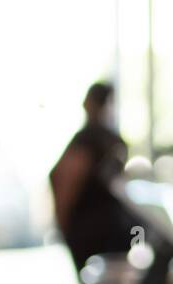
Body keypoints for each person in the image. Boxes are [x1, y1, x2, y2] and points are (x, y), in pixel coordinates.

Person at [49, 82, 135, 273]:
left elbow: (68, 183)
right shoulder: (106, 140)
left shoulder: (89, 141)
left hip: (94, 233)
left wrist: (62, 222)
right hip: (101, 231)